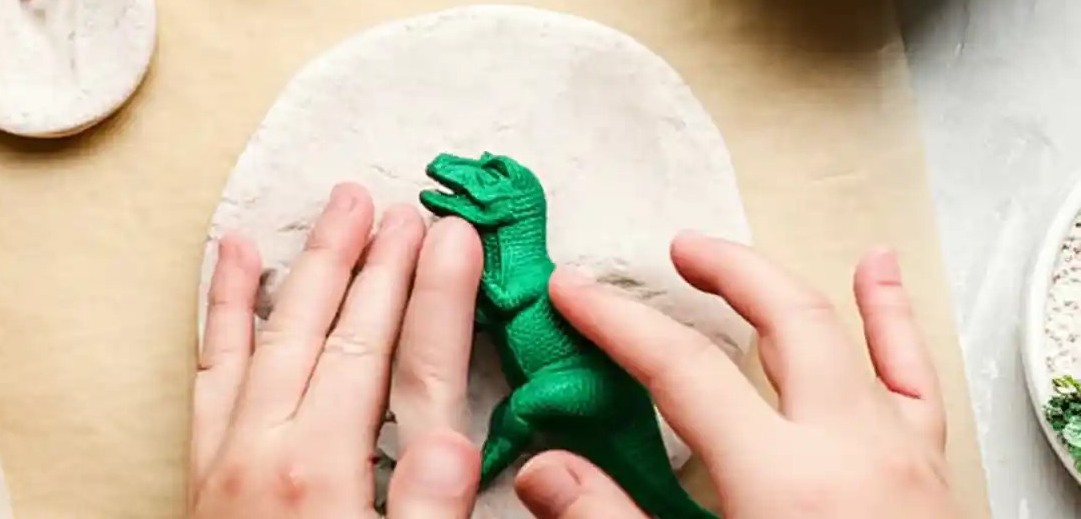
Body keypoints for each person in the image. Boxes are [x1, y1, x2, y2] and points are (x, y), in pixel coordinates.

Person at [189, 184, 963, 519]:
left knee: (528, 407)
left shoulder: (529, 275)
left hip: (581, 391)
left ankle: (507, 440)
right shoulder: (519, 275)